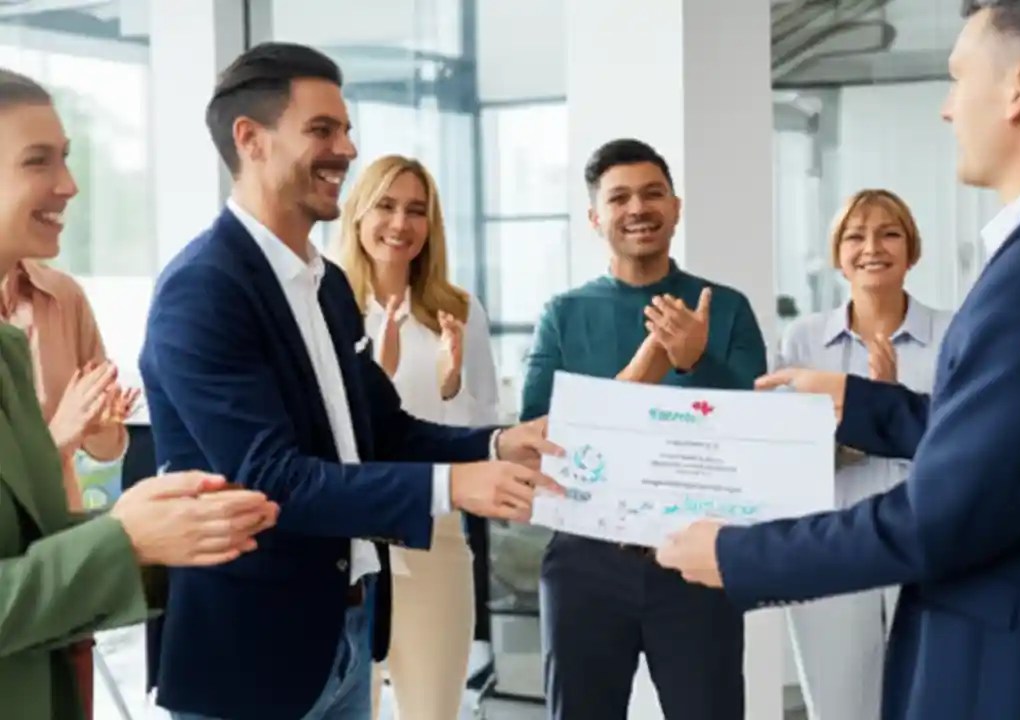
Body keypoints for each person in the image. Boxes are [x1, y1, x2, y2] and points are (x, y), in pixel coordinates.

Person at [657, 2, 1020, 719]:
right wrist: (865, 403)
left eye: (958, 76)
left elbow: (942, 515)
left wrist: (739, 555)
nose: (946, 108)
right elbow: (1019, 449)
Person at [138, 43, 562, 720]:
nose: (346, 148)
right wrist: (453, 486)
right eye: (322, 130)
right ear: (250, 139)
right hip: (253, 655)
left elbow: (382, 428)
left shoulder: (327, 284)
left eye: (345, 129)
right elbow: (273, 477)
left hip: (349, 630)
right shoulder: (203, 291)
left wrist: (498, 445)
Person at [0, 66, 279, 720]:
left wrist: (159, 532)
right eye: (38, 162)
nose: (69, 185)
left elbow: (26, 552)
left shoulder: (13, 349)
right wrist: (122, 541)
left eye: (66, 159)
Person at [522, 138, 767, 720]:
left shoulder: (723, 308)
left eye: (653, 193)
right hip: (586, 558)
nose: (639, 208)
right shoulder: (563, 313)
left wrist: (696, 360)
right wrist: (649, 365)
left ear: (676, 207)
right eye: (620, 197)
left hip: (697, 557)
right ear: (595, 217)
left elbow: (757, 435)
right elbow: (538, 439)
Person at [336, 154, 499, 720]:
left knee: (433, 711)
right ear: (357, 214)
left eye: (416, 210)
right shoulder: (328, 308)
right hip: (346, 546)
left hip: (435, 540)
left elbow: (482, 436)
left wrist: (451, 383)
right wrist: (376, 378)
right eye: (386, 205)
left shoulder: (458, 312)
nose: (400, 224)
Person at [779, 189, 951, 720]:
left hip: (930, 548)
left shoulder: (954, 334)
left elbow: (967, 446)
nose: (871, 247)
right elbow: (786, 452)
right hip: (833, 547)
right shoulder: (804, 340)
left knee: (932, 702)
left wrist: (890, 406)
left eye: (889, 233)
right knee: (839, 708)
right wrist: (868, 423)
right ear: (837, 255)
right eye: (855, 236)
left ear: (912, 250)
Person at [0, 151, 140, 720]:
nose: (70, 186)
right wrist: (56, 435)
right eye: (39, 161)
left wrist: (101, 429)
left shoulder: (65, 297)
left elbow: (106, 446)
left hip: (69, 544)